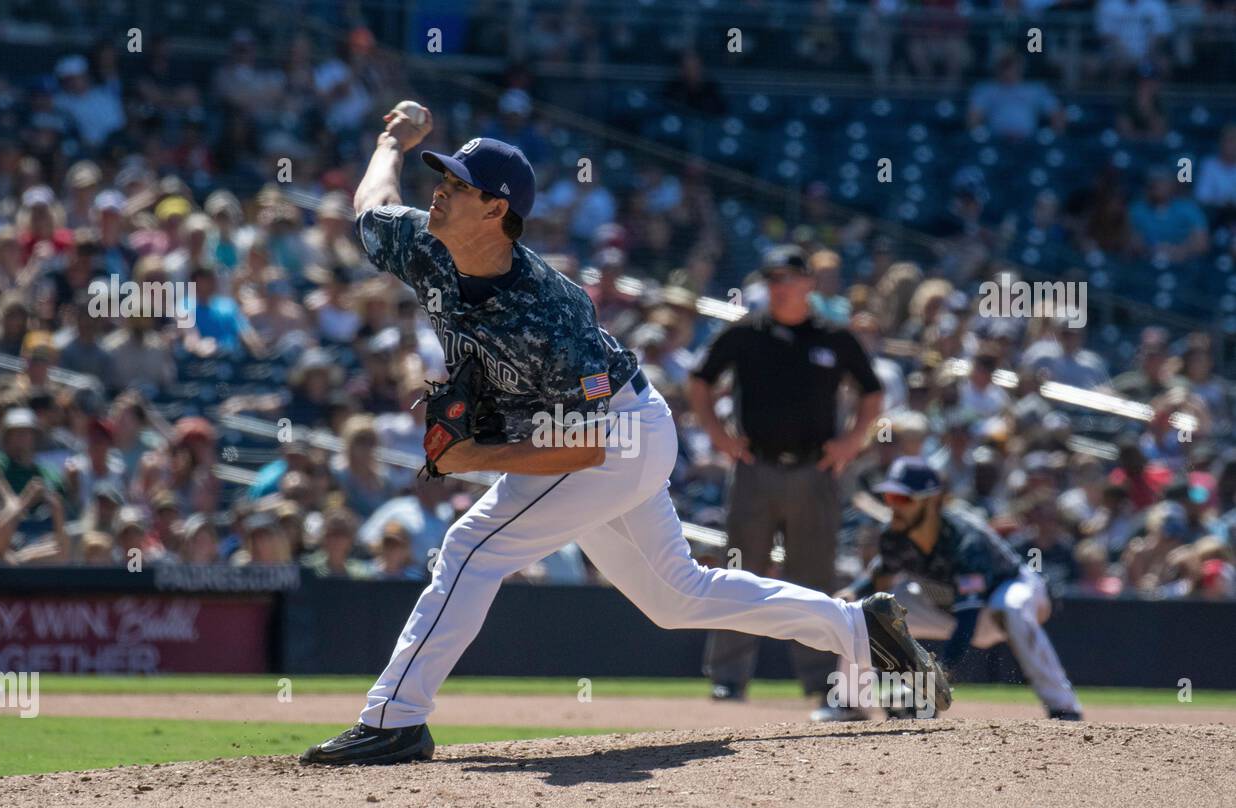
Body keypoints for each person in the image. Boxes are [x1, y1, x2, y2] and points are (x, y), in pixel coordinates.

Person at [300, 108, 950, 766]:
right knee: (677, 596)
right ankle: (864, 629)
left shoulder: (550, 307)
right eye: (441, 176)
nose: (437, 188)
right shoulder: (424, 244)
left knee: (472, 547)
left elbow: (587, 449)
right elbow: (370, 205)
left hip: (618, 436)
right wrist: (390, 142)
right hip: (587, 437)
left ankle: (395, 719)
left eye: (457, 184)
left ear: (497, 209)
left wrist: (475, 457)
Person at [688, 244, 884, 721]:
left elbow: (872, 393)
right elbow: (699, 381)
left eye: (788, 279)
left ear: (808, 284)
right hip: (756, 469)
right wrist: (719, 435)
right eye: (773, 279)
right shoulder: (746, 332)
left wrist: (850, 443)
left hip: (816, 471)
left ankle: (821, 684)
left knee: (813, 579)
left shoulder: (834, 336)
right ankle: (728, 681)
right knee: (741, 574)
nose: (779, 288)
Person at [844, 457, 1082, 720]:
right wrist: (853, 592)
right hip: (948, 608)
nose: (893, 506)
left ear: (932, 501)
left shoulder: (966, 542)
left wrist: (941, 672)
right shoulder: (894, 536)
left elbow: (968, 617)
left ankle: (1064, 707)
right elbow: (881, 573)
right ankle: (850, 703)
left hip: (1004, 596)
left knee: (1012, 607)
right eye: (890, 497)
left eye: (904, 499)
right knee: (862, 613)